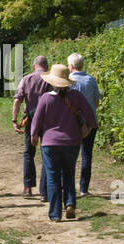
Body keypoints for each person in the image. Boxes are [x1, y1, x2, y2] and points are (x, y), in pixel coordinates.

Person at [29, 64, 97, 222]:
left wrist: (33, 135)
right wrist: (90, 126)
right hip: (72, 142)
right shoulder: (77, 96)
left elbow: (37, 120)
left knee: (52, 177)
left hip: (50, 143)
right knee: (68, 173)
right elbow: (90, 115)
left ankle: (55, 214)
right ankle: (70, 202)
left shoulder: (45, 98)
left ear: (52, 81)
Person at [12, 55, 51, 199]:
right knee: (46, 153)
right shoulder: (50, 78)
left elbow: (17, 101)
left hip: (31, 119)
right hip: (48, 120)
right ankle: (45, 191)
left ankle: (28, 188)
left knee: (29, 153)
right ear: (46, 66)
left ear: (34, 66)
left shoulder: (26, 79)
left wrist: (14, 121)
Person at [66, 53, 103, 197]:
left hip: (72, 122)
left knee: (70, 155)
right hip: (89, 121)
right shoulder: (91, 80)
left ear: (71, 66)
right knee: (87, 154)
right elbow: (96, 101)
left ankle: (69, 187)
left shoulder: (68, 81)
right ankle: (84, 188)